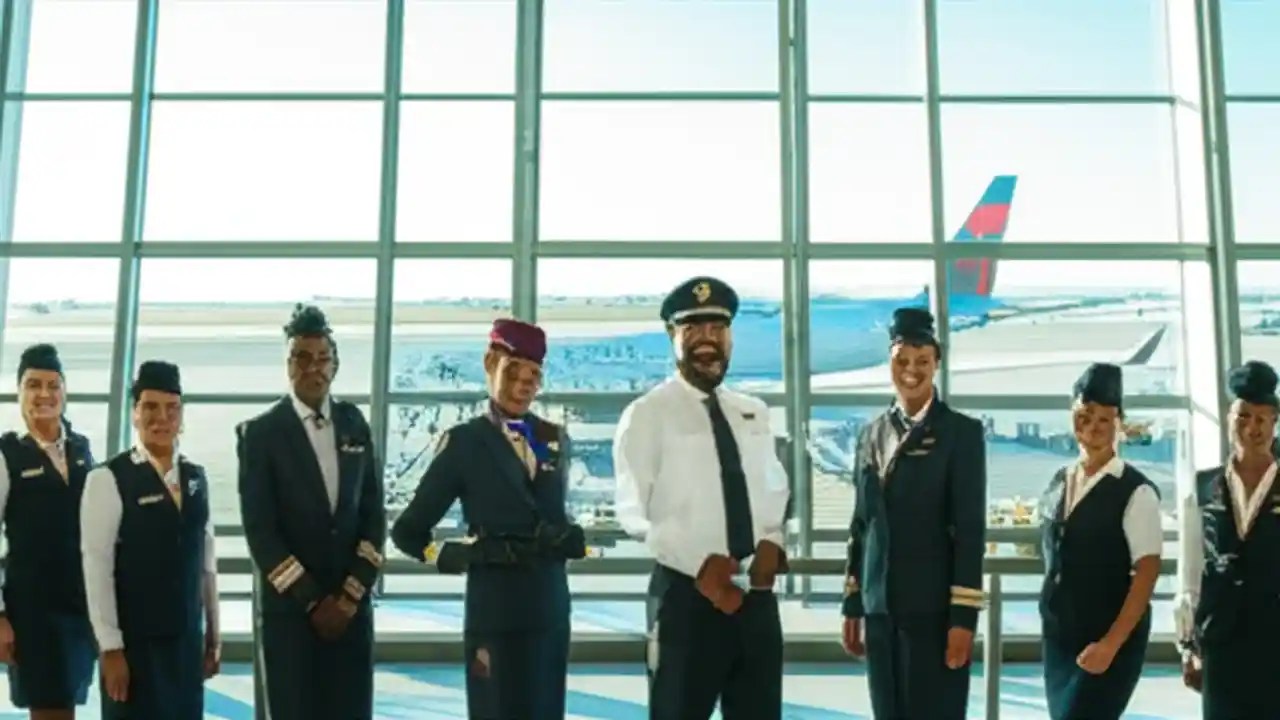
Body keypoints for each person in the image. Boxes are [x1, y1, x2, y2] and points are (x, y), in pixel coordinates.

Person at [613, 276, 791, 720]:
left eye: (717, 329)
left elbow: (774, 491)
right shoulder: (646, 414)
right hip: (686, 601)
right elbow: (634, 511)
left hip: (755, 599)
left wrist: (776, 541)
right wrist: (700, 567)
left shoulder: (753, 411)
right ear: (673, 337)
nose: (707, 341)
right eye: (692, 330)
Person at [391, 317, 585, 719]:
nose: (524, 384)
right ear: (489, 363)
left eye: (533, 375)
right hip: (493, 615)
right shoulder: (463, 443)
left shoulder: (553, 439)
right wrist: (454, 555)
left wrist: (566, 535)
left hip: (549, 611)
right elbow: (408, 532)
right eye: (513, 370)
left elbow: (550, 511)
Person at [237, 303, 386, 720]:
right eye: (302, 358)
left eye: (323, 358)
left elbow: (373, 516)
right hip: (291, 616)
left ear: (335, 364)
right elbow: (260, 532)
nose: (313, 368)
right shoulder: (260, 434)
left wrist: (351, 596)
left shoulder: (355, 422)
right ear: (288, 364)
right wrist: (314, 602)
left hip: (350, 612)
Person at [839, 307, 986, 720]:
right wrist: (853, 602)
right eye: (902, 360)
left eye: (922, 361)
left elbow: (970, 531)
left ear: (937, 363)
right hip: (880, 609)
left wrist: (963, 618)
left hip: (935, 613)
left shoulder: (961, 434)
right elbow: (861, 525)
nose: (912, 370)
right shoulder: (871, 434)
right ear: (889, 361)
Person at [80, 361, 220, 720]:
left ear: (181, 416)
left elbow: (206, 564)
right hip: (135, 646)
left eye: (172, 408)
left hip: (186, 643)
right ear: (135, 413)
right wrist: (110, 647)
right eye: (151, 407)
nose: (162, 418)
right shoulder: (108, 479)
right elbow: (97, 568)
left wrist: (213, 634)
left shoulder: (196, 478)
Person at [1038, 363, 1161, 720]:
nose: (1092, 427)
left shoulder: (1135, 491)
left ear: (1119, 424)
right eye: (1084, 416)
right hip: (1060, 638)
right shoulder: (1059, 481)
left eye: (1103, 419)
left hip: (1108, 635)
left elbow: (1146, 573)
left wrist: (1111, 644)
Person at [1176, 360, 1280, 719]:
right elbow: (1191, 570)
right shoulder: (1203, 486)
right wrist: (1189, 644)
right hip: (1221, 639)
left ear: (1275, 422)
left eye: (1262, 418)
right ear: (1229, 418)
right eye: (1244, 416)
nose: (1253, 427)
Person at [0, 345, 97, 720]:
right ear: (19, 393)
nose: (44, 394)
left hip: (78, 605)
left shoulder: (81, 449)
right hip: (34, 611)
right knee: (49, 708)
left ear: (65, 392)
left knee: (67, 703)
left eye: (53, 385)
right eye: (33, 385)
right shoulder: (7, 456)